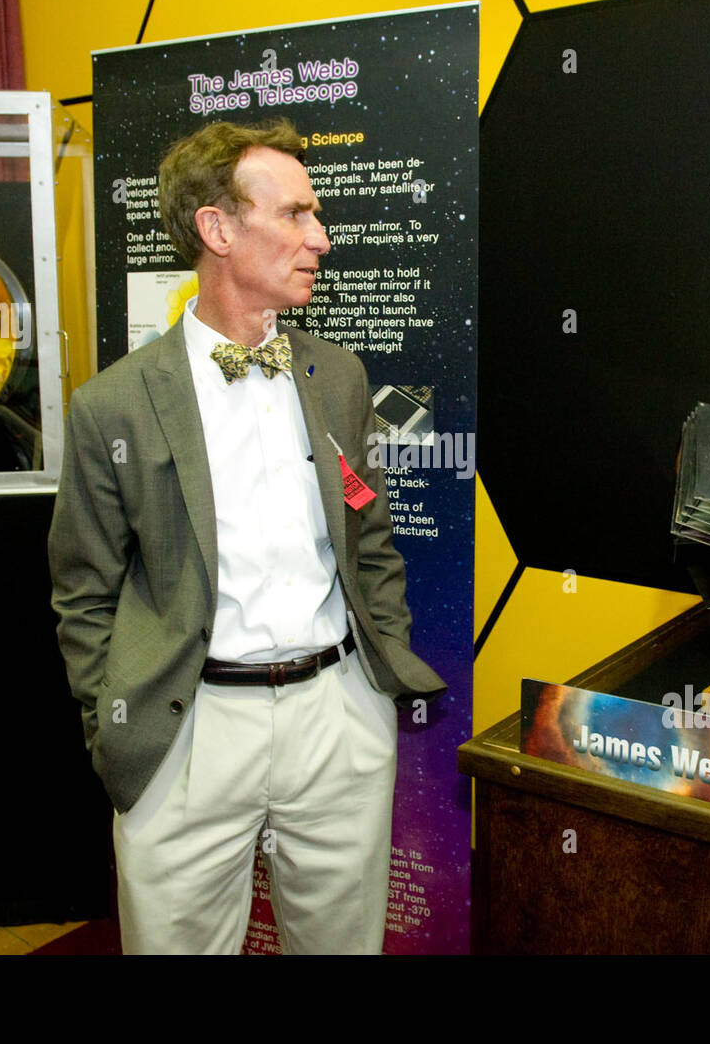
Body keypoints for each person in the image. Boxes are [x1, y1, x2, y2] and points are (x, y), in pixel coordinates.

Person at [47, 118, 444, 955]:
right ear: (218, 229)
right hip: (187, 732)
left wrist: (373, 691)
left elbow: (370, 538)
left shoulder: (338, 376)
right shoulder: (111, 406)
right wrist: (113, 724)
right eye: (296, 214)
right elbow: (82, 588)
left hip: (337, 718)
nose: (321, 239)